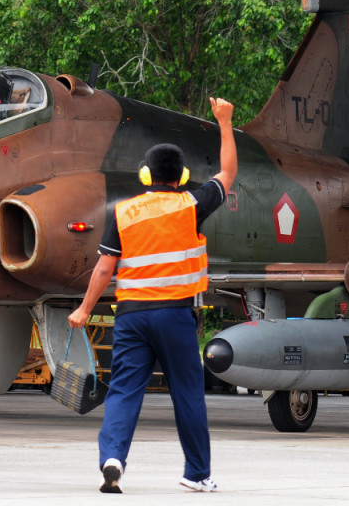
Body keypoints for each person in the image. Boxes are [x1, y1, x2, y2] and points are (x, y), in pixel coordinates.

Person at [68, 97, 237, 495]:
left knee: (124, 391)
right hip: (175, 317)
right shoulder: (192, 204)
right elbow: (228, 171)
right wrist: (224, 122)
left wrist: (83, 309)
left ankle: (112, 458)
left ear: (145, 175)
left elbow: (105, 268)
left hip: (130, 318)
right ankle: (197, 474)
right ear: (182, 177)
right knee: (187, 394)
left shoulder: (124, 212)